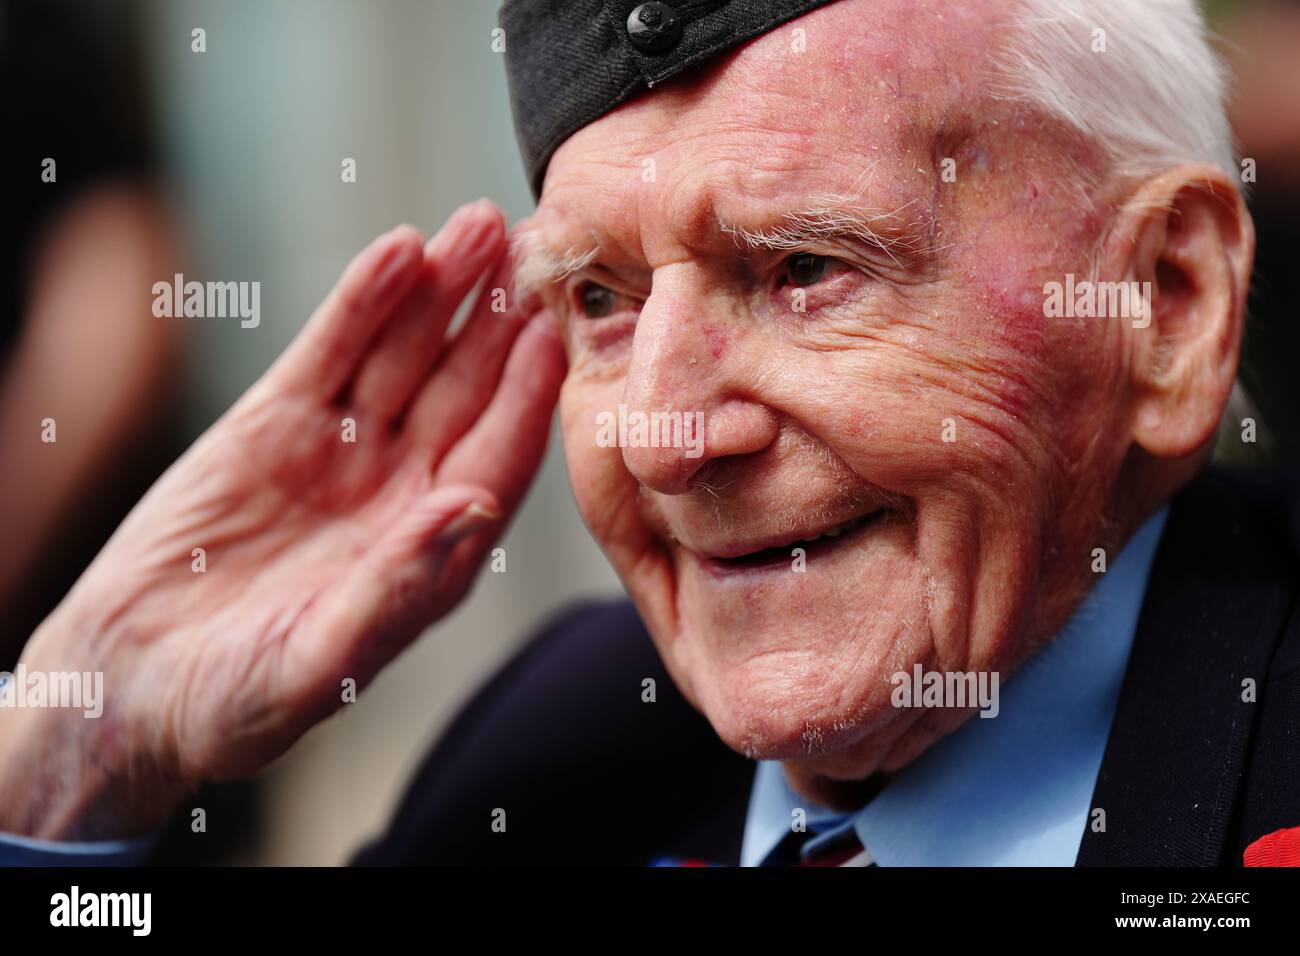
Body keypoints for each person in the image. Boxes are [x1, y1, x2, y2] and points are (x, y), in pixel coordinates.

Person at [1, 0, 1297, 867]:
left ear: (1165, 304)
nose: (666, 438)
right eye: (602, 301)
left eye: (802, 267)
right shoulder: (551, 758)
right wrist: (82, 743)